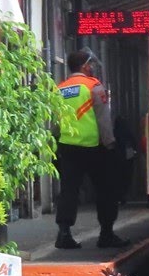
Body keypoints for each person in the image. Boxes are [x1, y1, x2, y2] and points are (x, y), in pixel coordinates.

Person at [54, 49, 130, 249]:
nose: (93, 68)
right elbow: (103, 119)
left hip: (68, 146)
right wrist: (110, 143)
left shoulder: (60, 88)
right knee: (106, 190)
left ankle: (64, 233)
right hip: (95, 147)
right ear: (85, 66)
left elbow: (54, 121)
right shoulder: (94, 86)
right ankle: (106, 234)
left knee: (69, 190)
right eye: (91, 65)